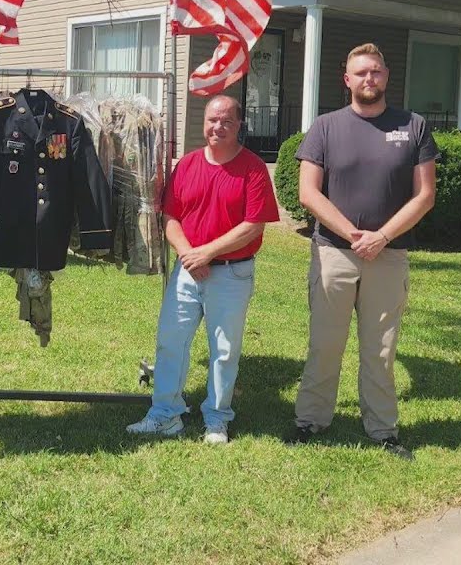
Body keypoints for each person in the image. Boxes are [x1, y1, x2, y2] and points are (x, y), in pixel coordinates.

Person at [291, 43, 438, 460]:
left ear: (386, 76)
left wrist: (382, 237)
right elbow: (308, 192)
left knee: (381, 347)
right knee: (325, 342)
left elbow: (424, 195)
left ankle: (382, 430)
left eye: (375, 71)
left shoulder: (414, 126)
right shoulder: (325, 126)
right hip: (333, 253)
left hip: (388, 256)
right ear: (347, 80)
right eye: (361, 73)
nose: (368, 79)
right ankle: (310, 421)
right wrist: (354, 234)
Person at [126, 95, 280, 444]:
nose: (218, 126)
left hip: (231, 273)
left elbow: (254, 225)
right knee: (170, 342)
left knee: (224, 351)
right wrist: (187, 253)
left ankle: (216, 419)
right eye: (212, 120)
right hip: (187, 270)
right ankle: (166, 414)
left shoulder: (253, 169)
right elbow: (170, 216)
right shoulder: (188, 165)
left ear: (239, 125)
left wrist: (206, 253)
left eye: (226, 121)